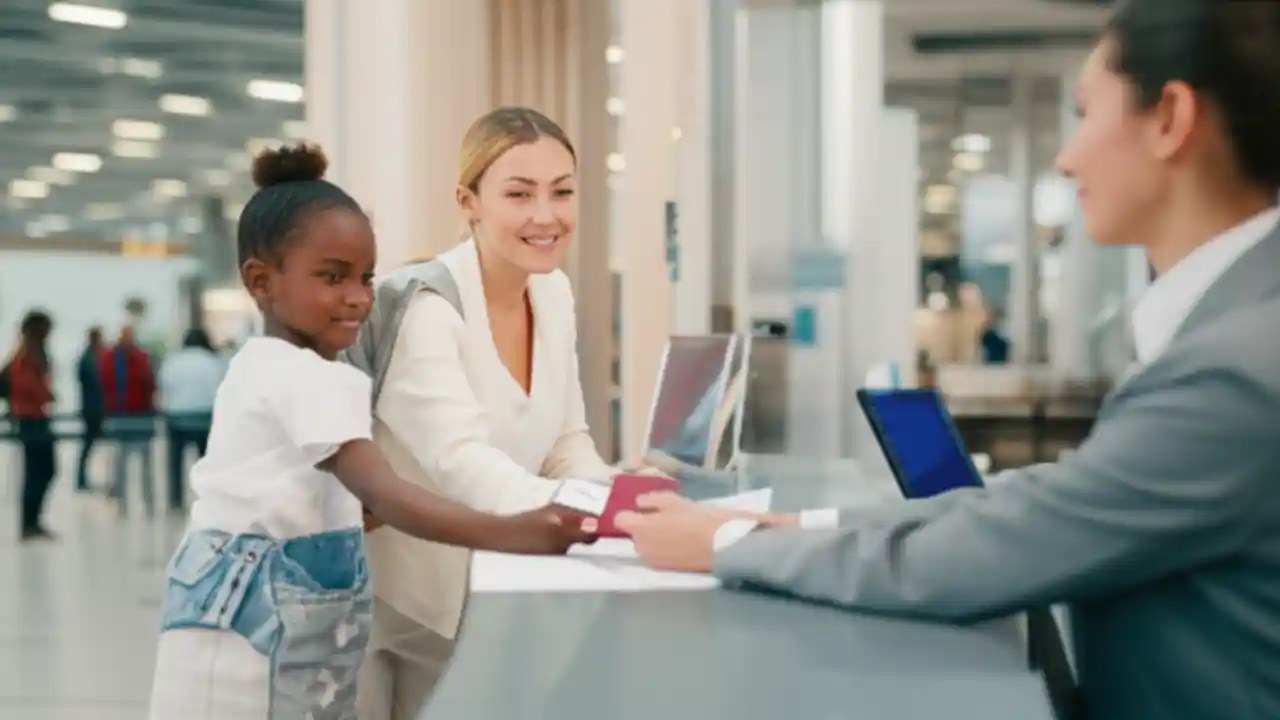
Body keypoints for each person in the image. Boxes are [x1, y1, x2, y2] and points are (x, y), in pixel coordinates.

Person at [618, 2, 1280, 719]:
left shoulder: (1237, 371)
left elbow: (991, 552)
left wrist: (727, 544)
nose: (1068, 155)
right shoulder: (1236, 329)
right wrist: (799, 528)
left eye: (1087, 113)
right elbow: (1038, 507)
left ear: (1170, 118)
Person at [147, 143, 597, 719]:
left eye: (365, 277)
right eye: (331, 278)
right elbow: (387, 493)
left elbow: (346, 499)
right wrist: (521, 531)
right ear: (260, 281)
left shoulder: (286, 367)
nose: (359, 299)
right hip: (247, 625)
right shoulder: (301, 376)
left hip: (262, 606)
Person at [353, 106, 616, 719]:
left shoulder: (552, 292)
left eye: (563, 191)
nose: (546, 215)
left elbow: (566, 439)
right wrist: (583, 519)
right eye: (519, 194)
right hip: (407, 606)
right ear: (468, 201)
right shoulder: (427, 310)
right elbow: (461, 466)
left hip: (496, 592)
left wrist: (616, 502)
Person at [157, 328, 225, 511]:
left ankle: (175, 500)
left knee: (175, 463)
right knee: (206, 462)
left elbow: (164, 386)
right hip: (205, 416)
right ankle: (208, 498)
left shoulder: (173, 361)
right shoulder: (213, 362)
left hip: (178, 416)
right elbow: (222, 390)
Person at [9, 310, 57, 542]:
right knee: (36, 472)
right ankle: (29, 524)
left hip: (37, 417)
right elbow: (25, 385)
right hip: (30, 419)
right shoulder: (27, 355)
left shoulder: (34, 353)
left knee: (44, 470)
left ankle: (33, 521)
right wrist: (46, 394)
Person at [101, 325, 157, 516]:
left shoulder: (136, 358)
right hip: (124, 415)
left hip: (136, 416)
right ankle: (122, 504)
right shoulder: (119, 359)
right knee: (121, 464)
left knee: (141, 465)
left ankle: (147, 503)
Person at [75, 326, 106, 492]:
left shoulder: (87, 357)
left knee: (88, 445)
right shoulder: (91, 358)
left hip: (92, 406)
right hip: (94, 407)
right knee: (88, 444)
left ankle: (82, 479)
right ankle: (81, 479)